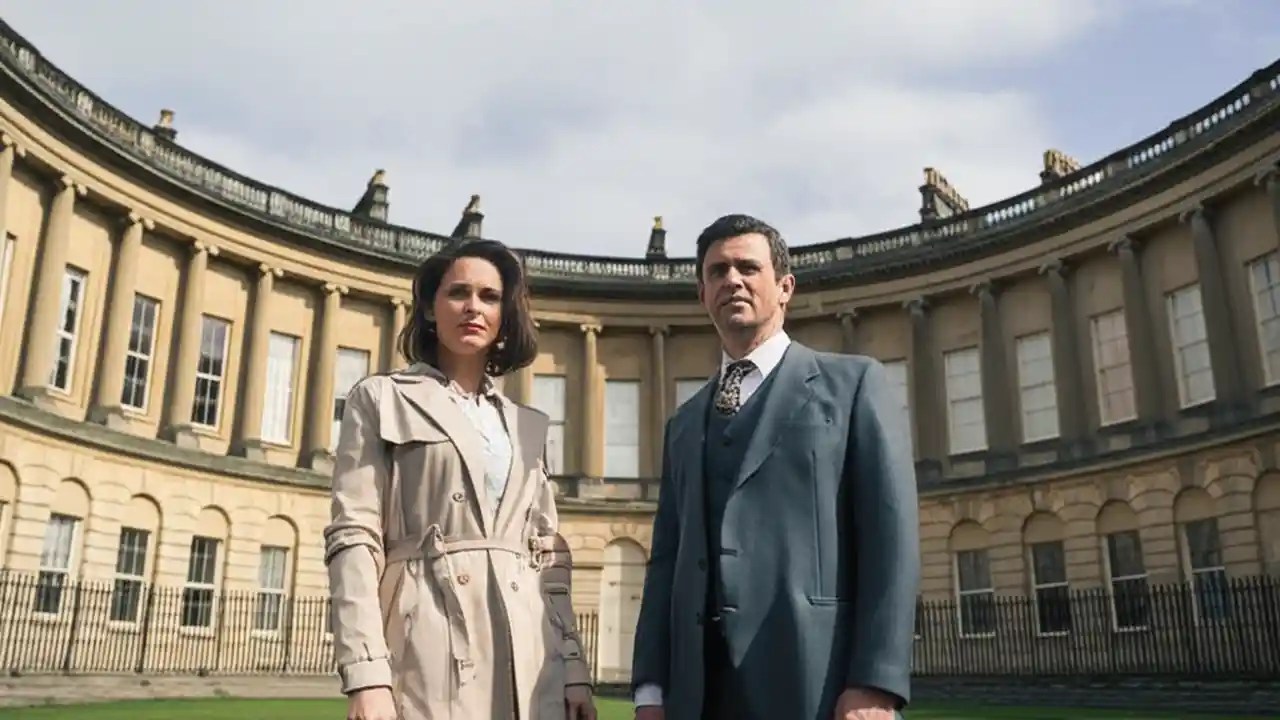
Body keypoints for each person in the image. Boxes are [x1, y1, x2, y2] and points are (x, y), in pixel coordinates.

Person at [630, 214, 920, 720]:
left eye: (747, 267)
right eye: (717, 271)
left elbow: (890, 536)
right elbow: (666, 562)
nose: (732, 280)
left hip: (816, 680)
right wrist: (651, 690)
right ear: (703, 294)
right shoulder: (684, 422)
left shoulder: (853, 384)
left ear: (785, 287)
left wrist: (875, 681)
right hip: (700, 694)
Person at [324, 239, 597, 720]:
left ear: (504, 316)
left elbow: (549, 559)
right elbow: (355, 537)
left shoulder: (527, 424)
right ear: (430, 308)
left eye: (490, 297)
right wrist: (366, 673)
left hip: (531, 656)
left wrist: (573, 666)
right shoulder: (380, 398)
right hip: (429, 646)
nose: (474, 307)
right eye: (458, 293)